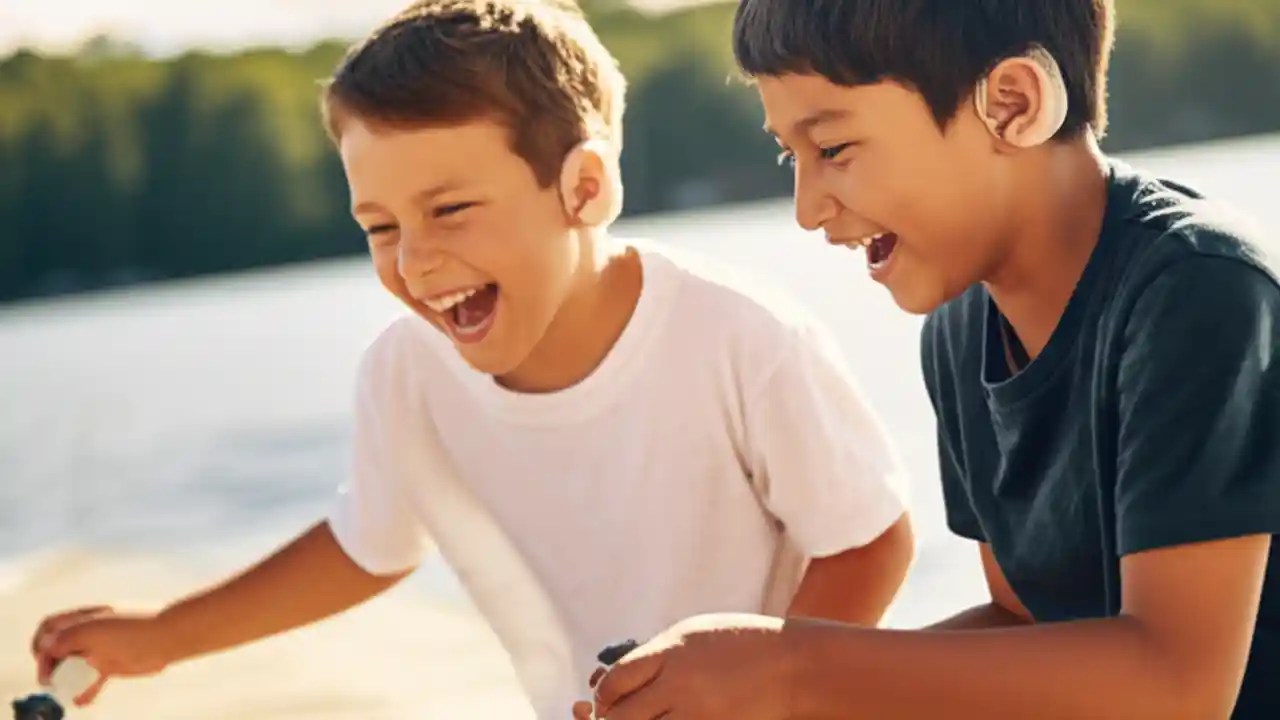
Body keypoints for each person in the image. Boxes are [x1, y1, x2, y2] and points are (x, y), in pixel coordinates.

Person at [29, 1, 915, 717]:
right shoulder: (407, 376)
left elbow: (870, 537)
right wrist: (159, 638)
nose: (414, 261)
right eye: (381, 228)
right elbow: (366, 546)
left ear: (585, 187)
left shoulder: (737, 338)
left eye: (450, 210)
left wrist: (773, 688)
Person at [581, 1, 1280, 718]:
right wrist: (756, 697)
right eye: (792, 157)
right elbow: (1025, 619)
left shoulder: (1198, 288)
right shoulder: (960, 325)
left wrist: (791, 666)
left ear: (1012, 103)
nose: (807, 208)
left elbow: (1179, 687)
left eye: (834, 150)